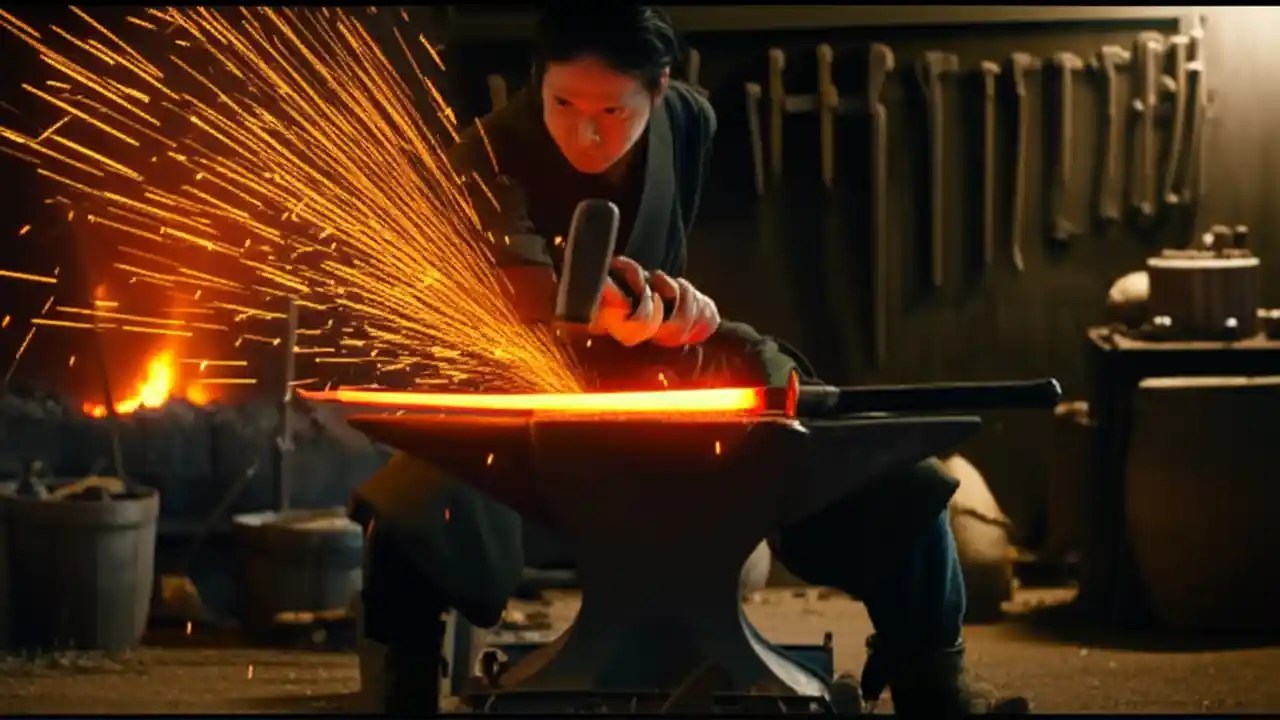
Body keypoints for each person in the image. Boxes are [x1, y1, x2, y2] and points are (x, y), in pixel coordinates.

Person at [349, 3, 1029, 716]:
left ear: (661, 90)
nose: (586, 131)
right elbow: (515, 285)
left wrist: (676, 312)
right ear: (535, 83)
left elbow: (667, 261)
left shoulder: (689, 123)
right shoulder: (487, 151)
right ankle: (399, 689)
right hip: (524, 372)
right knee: (409, 510)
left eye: (614, 110)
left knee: (868, 454)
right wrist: (603, 310)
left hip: (666, 359)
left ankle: (934, 679)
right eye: (562, 104)